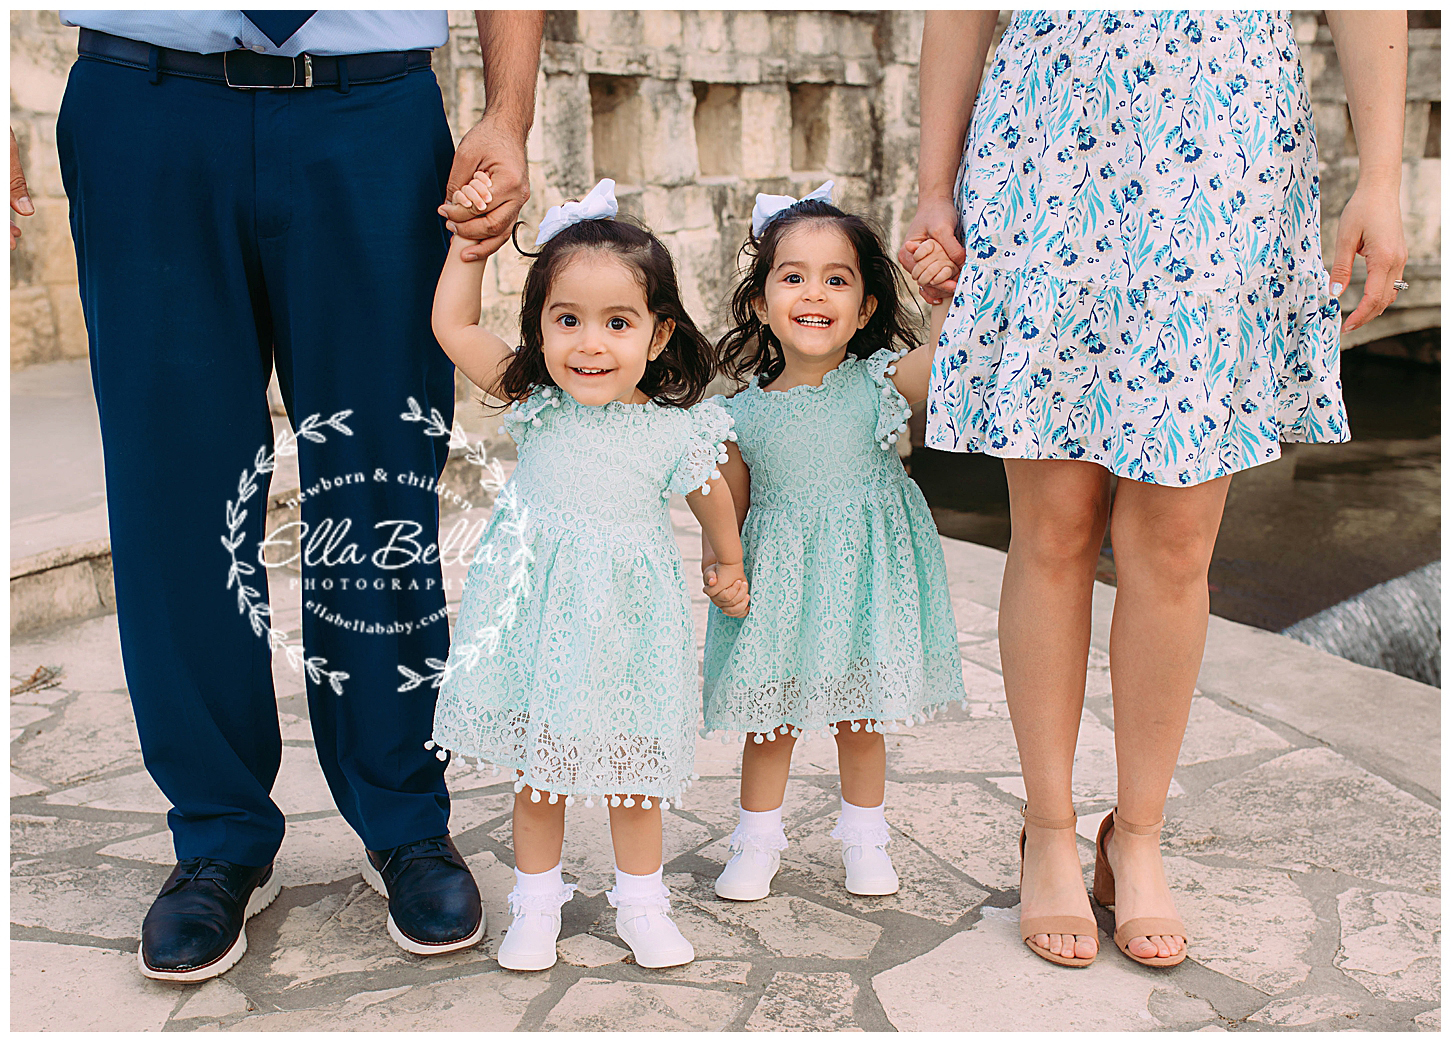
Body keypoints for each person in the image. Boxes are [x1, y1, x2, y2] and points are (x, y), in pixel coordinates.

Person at [11, 11, 545, 982]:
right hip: (142, 106)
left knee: (379, 484)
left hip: (372, 109)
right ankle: (217, 831)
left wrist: (508, 111)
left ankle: (402, 814)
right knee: (171, 489)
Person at [900, 11, 1408, 968]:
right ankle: (1048, 828)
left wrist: (1379, 179)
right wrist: (935, 181)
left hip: (1228, 147)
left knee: (1174, 543)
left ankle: (1135, 837)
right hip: (1050, 136)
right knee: (1053, 524)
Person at [427, 176, 748, 972]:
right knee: (542, 773)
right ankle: (535, 908)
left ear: (659, 331)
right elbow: (452, 323)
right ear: (538, 327)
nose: (589, 344)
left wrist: (727, 561)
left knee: (632, 771)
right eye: (565, 320)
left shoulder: (672, 430)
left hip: (631, 622)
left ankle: (642, 905)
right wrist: (469, 249)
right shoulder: (533, 400)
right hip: (540, 616)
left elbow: (711, 497)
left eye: (616, 323)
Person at [699, 184, 966, 903]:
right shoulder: (740, 415)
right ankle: (756, 841)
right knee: (771, 715)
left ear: (865, 308)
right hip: (779, 582)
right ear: (760, 303)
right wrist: (721, 565)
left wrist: (940, 287)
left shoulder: (878, 383)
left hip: (863, 577)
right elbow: (728, 507)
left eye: (836, 279)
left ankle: (864, 837)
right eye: (793, 277)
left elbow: (946, 357)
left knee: (858, 712)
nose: (813, 293)